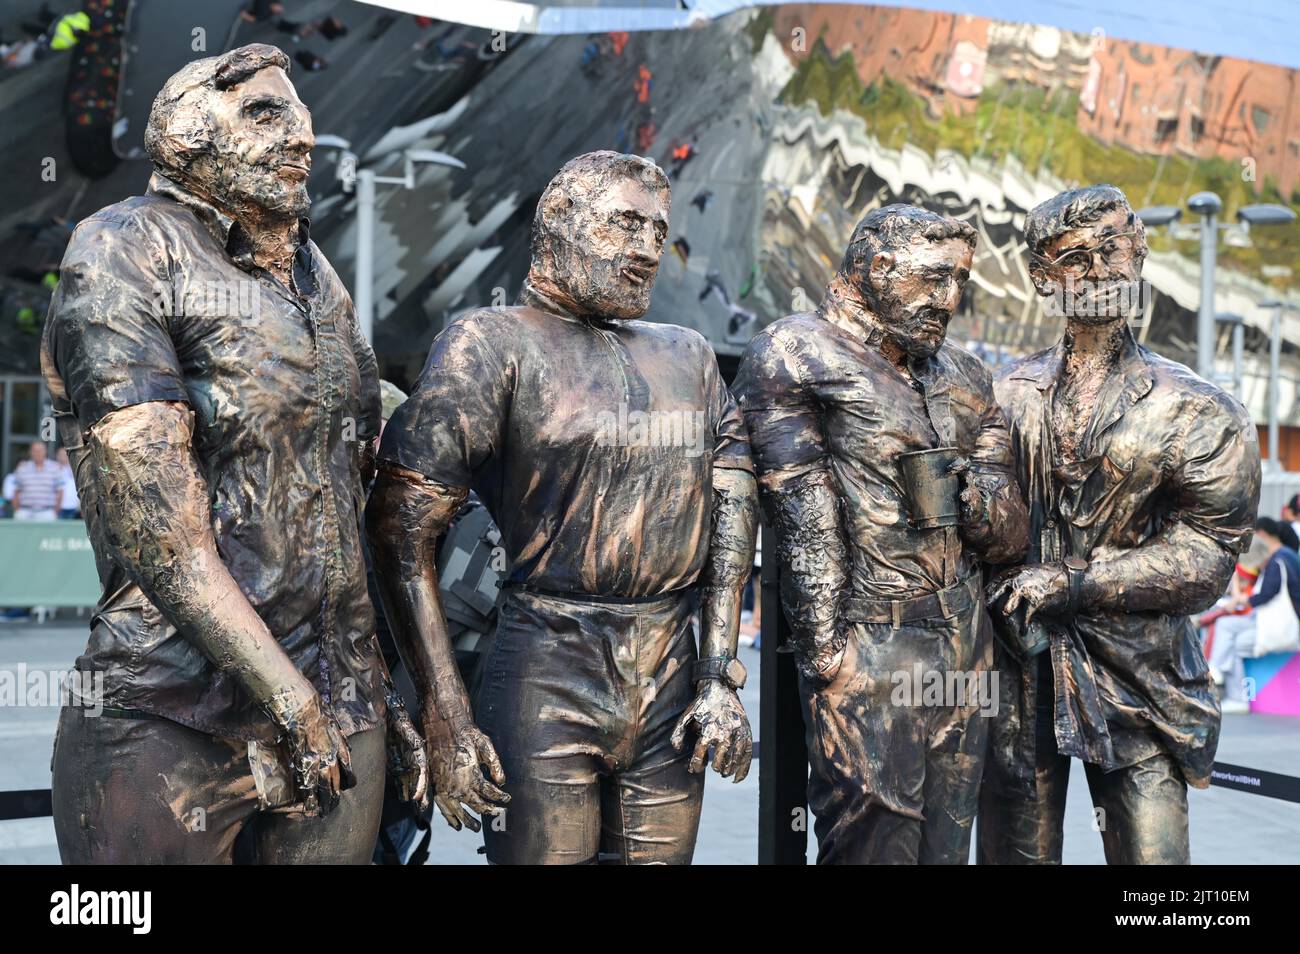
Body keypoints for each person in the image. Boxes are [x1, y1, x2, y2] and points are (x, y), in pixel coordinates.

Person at [43, 44, 423, 864]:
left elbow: (347, 493)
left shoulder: (315, 274)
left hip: (335, 713)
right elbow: (160, 536)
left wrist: (378, 696)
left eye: (299, 115)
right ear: (185, 139)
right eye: (263, 112)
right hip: (170, 707)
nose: (299, 135)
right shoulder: (123, 247)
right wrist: (295, 703)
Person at [368, 151, 757, 865]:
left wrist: (718, 678)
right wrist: (446, 711)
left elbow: (732, 516)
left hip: (669, 667)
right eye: (625, 224)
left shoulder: (691, 354)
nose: (646, 247)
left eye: (657, 229)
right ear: (559, 226)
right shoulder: (491, 342)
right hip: (547, 660)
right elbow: (398, 529)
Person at [734, 205, 1029, 864]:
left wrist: (965, 492)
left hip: (962, 640)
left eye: (959, 282)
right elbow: (801, 512)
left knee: (948, 848)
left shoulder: (969, 375)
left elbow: (1011, 533)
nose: (949, 300)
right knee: (872, 844)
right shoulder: (796, 352)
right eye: (934, 279)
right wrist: (829, 655)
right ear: (876, 266)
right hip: (870, 642)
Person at [980, 185, 1261, 865]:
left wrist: (1073, 582)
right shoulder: (1000, 395)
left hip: (1142, 681)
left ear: (1142, 246)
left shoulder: (1197, 410)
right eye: (1076, 256)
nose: (1102, 269)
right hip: (1020, 679)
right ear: (1043, 278)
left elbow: (1207, 558)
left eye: (1113, 245)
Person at [1209, 517, 1300, 713]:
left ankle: (1236, 696)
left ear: (1263, 536)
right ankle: (1217, 668)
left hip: (1278, 626)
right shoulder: (1288, 556)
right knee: (1227, 628)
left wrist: (1242, 601)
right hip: (1275, 622)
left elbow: (1268, 593)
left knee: (1236, 643)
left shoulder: (1278, 561)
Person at [10, 441, 62, 519]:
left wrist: (55, 510)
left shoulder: (55, 468)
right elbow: (15, 492)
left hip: (47, 512)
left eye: (40, 450)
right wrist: (17, 510)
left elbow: (60, 492)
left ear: (45, 451)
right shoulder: (22, 468)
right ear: (30, 452)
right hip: (25, 511)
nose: (38, 453)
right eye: (35, 451)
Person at [55, 447, 79, 519]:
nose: (62, 457)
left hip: (73, 506)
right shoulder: (53, 468)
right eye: (60, 455)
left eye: (64, 455)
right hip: (58, 506)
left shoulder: (75, 469)